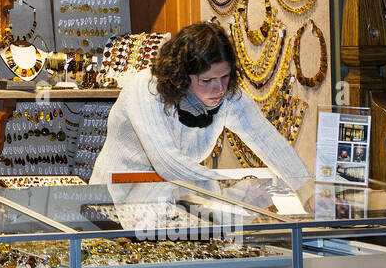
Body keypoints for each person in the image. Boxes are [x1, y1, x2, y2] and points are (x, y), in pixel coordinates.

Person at [90, 22, 311, 194]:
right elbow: (168, 162)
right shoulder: (147, 90)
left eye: (225, 77)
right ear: (182, 76)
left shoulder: (229, 95)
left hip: (170, 196)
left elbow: (267, 140)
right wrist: (229, 189)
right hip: (116, 197)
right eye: (207, 81)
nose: (220, 88)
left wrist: (307, 191)